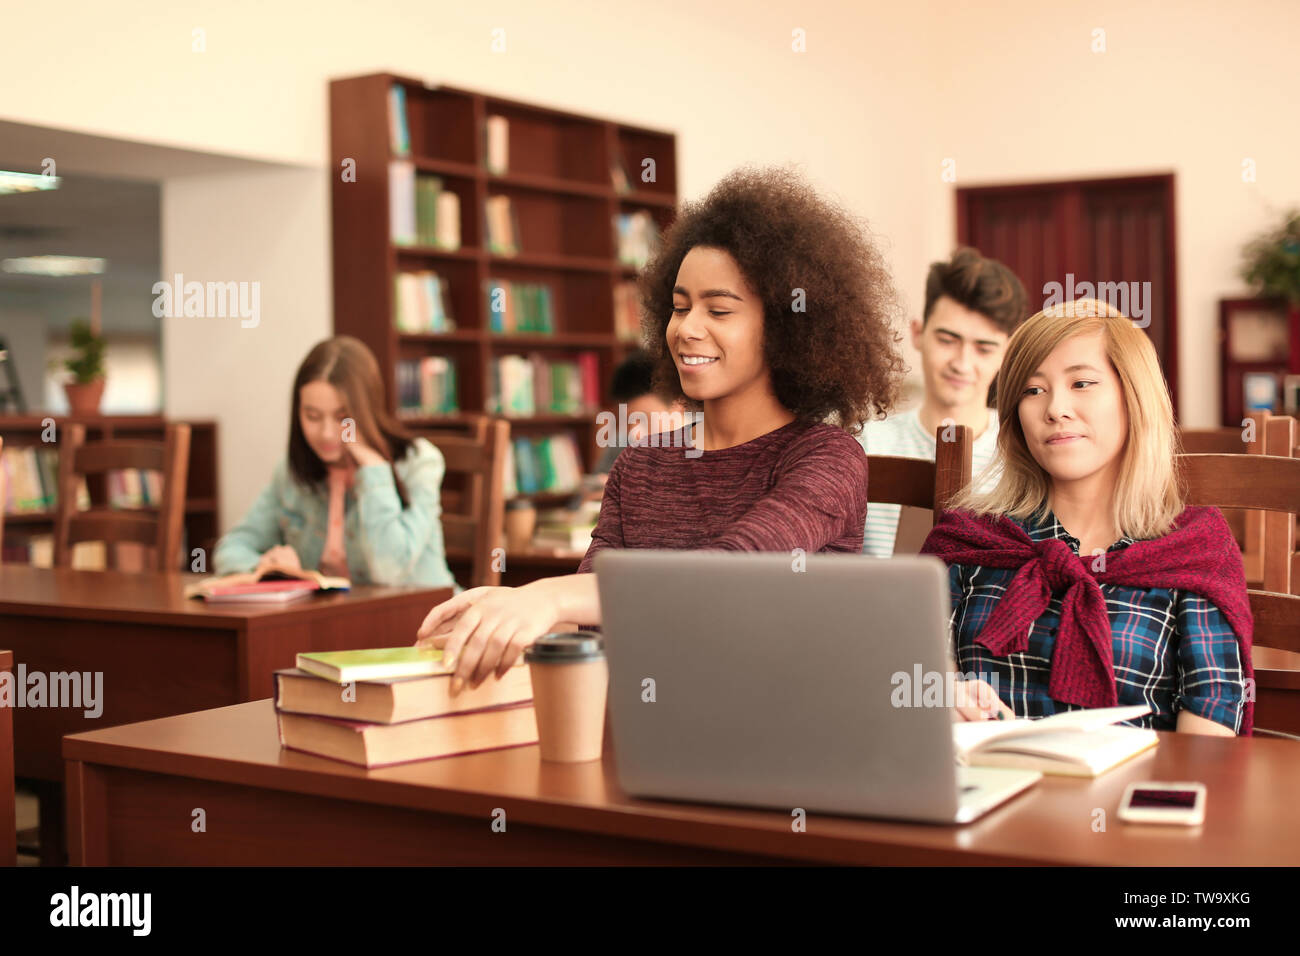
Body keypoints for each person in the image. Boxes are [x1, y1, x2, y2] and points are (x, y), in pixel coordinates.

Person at [417, 165, 906, 692]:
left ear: (788, 328)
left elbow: (729, 573)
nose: (687, 329)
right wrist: (496, 618)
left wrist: (547, 596)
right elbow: (593, 609)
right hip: (647, 719)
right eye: (679, 307)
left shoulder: (826, 458)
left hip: (780, 722)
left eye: (719, 309)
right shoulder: (643, 463)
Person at [921, 300, 1254, 734]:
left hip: (1130, 795)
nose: (1055, 408)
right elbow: (913, 675)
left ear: (1133, 396)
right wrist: (941, 697)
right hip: (985, 792)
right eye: (1032, 390)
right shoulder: (970, 538)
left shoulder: (1192, 549)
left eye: (1081, 383)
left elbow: (1210, 740)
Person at [214, 336, 457, 589]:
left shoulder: (418, 462)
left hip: (422, 618)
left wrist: (374, 470)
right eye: (312, 416)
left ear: (365, 411)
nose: (327, 433)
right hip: (337, 622)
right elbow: (231, 549)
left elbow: (390, 571)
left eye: (342, 418)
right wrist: (267, 567)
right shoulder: (292, 471)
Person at [859, 247, 1026, 557]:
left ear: (1008, 352)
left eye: (984, 348)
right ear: (918, 333)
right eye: (947, 340)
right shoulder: (866, 444)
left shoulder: (1025, 454)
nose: (961, 364)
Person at [592, 348, 687, 475]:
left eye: (642, 419)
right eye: (627, 422)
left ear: (679, 406)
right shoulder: (622, 445)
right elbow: (589, 491)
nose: (634, 433)